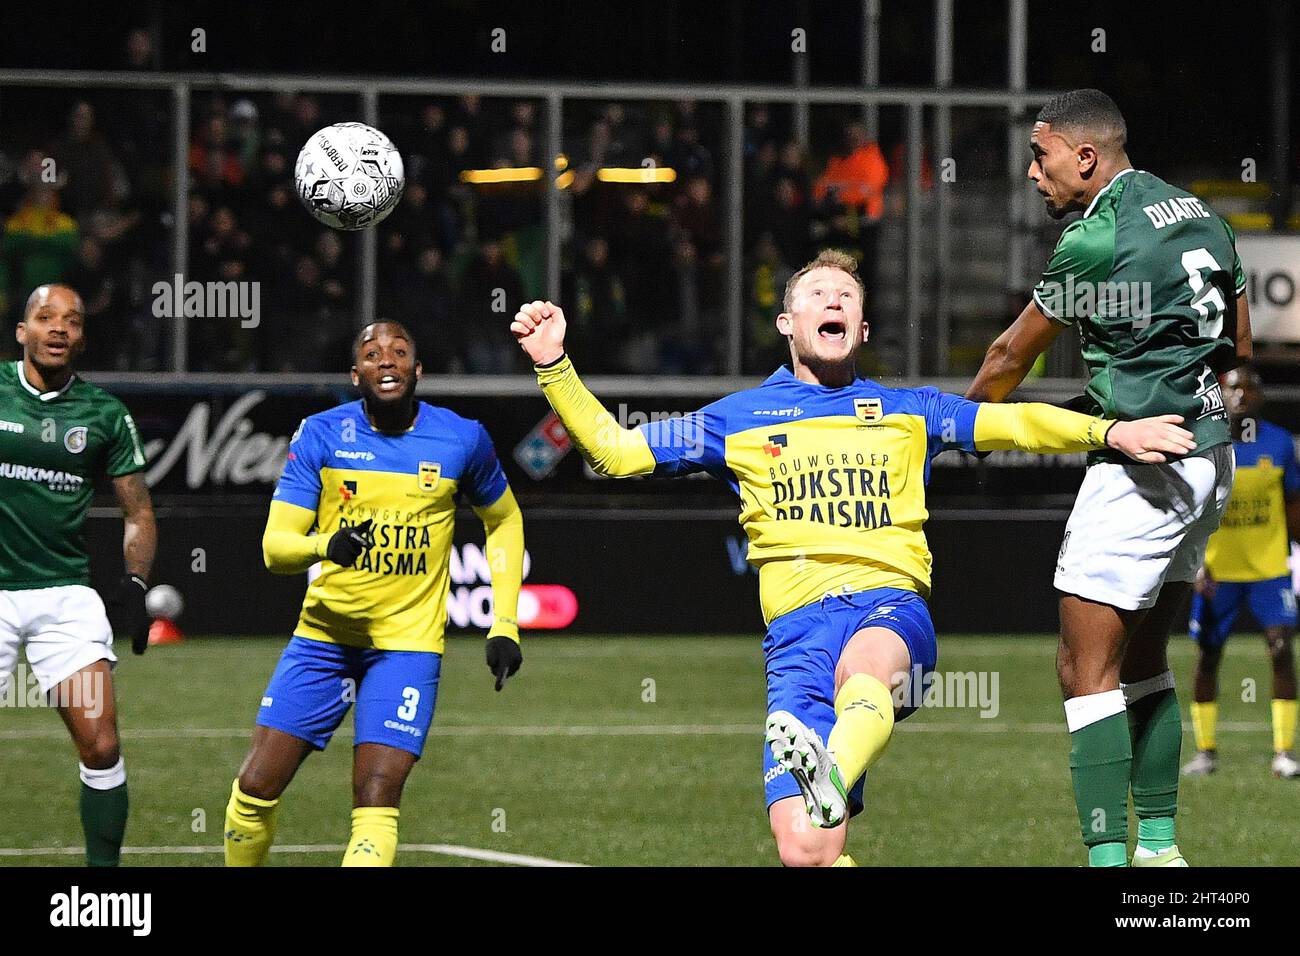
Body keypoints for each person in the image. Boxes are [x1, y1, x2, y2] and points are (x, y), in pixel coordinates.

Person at [512, 249, 1194, 866]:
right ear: (786, 324)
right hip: (795, 641)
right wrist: (553, 365)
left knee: (862, 670)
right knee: (807, 851)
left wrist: (1109, 431)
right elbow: (616, 452)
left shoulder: (908, 410)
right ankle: (824, 779)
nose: (833, 300)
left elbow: (1015, 422)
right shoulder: (739, 418)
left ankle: (830, 771)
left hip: (889, 613)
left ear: (863, 330)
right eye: (817, 294)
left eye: (846, 296)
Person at [965, 89, 1251, 866]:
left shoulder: (1097, 237)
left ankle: (1106, 861)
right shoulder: (1202, 214)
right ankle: (1158, 851)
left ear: (1086, 156)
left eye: (1042, 156)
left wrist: (959, 429)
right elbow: (1237, 350)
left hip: (1141, 470)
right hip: (1209, 457)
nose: (1033, 172)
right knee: (1145, 663)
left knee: (1083, 670)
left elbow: (1009, 355)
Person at [224, 321, 525, 867]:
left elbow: (503, 519)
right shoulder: (320, 435)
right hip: (324, 639)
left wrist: (504, 623)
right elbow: (275, 549)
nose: (386, 360)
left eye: (399, 352)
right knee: (254, 789)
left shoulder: (462, 438)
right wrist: (326, 545)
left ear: (418, 370)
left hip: (406, 649)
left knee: (377, 796)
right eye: (372, 353)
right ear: (355, 374)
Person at [0, 283, 155, 866]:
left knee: (102, 745)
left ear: (82, 337)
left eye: (72, 320)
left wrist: (136, 584)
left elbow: (138, 512)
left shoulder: (105, 414)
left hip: (64, 596)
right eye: (46, 317)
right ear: (23, 332)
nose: (59, 328)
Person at [1184, 366, 1299, 779]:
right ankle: (1206, 751)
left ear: (1261, 397)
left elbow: (1293, 504)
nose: (1241, 395)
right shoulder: (1203, 443)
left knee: (1281, 650)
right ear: (1220, 394)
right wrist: (1195, 562)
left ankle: (1283, 752)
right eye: (1233, 388)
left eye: (1250, 388)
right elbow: (1191, 509)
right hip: (1219, 571)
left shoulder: (1280, 443)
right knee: (1208, 656)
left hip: (1270, 569)